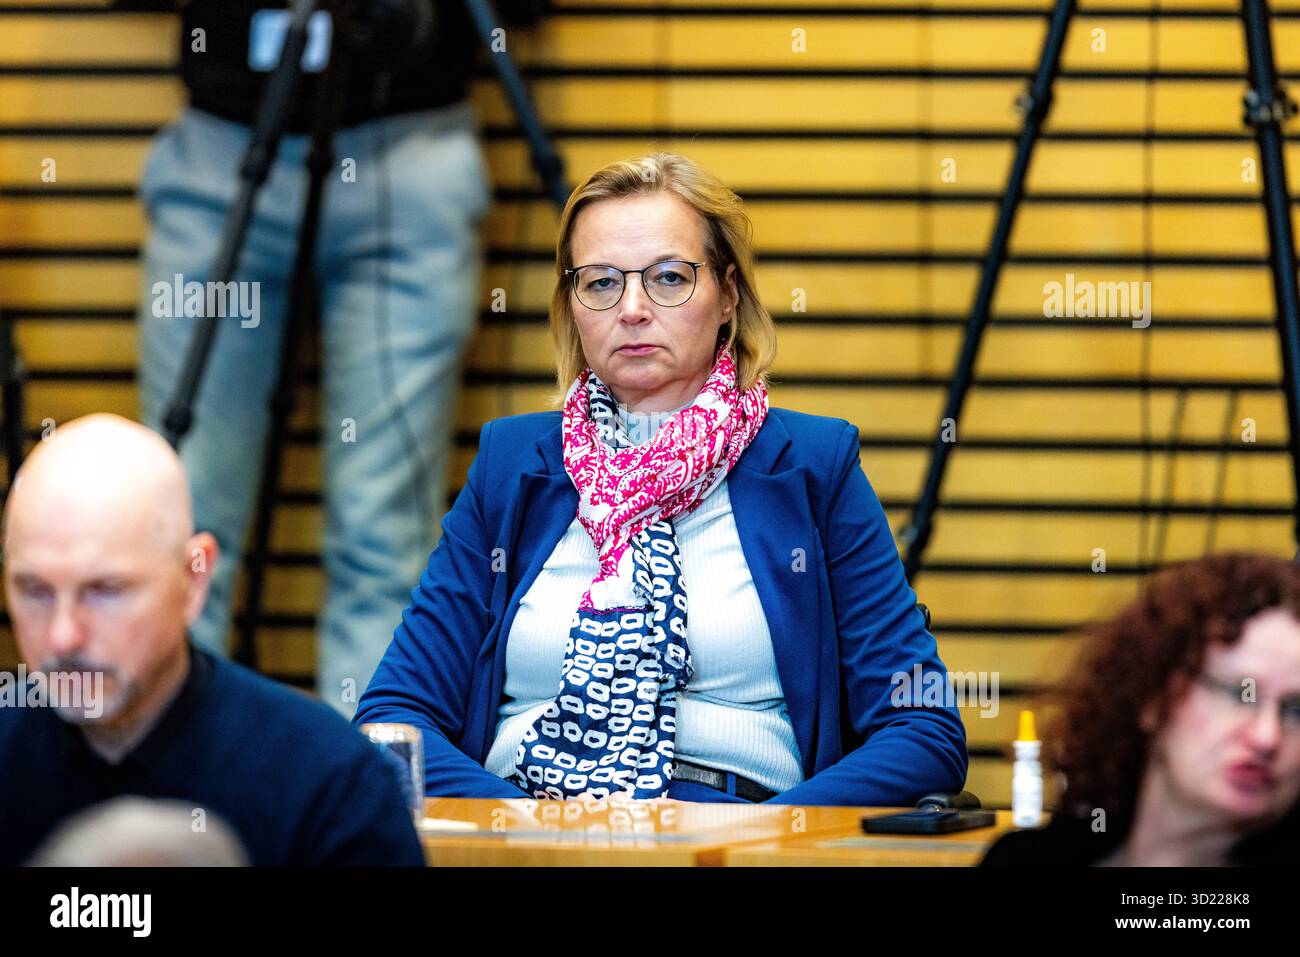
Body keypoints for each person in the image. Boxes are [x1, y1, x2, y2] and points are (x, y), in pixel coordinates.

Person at [354, 152, 969, 805]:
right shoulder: (512, 465)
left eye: (670, 277)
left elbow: (921, 728)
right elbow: (391, 720)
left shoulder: (814, 465)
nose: (634, 308)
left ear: (728, 294)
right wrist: (515, 827)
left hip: (736, 837)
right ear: (571, 304)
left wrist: (770, 837)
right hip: (530, 831)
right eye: (601, 283)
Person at [117, 0, 548, 716]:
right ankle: (178, 796)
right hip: (223, 147)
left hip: (406, 153)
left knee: (380, 534)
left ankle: (365, 802)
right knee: (182, 519)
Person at [0, 414, 424, 866]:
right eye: (35, 591)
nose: (63, 636)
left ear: (194, 578)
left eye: (105, 590)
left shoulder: (330, 785)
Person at [982, 552, 1300, 866]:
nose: (1267, 736)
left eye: (1295, 711)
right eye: (1238, 694)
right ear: (1155, 696)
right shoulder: (1025, 861)